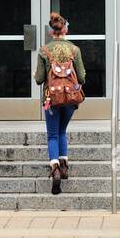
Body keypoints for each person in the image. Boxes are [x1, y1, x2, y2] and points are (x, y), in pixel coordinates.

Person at [35, 11, 86, 195]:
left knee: (52, 135)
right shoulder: (75, 50)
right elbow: (82, 76)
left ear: (51, 32)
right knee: (62, 131)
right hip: (70, 99)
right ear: (65, 30)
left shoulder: (44, 51)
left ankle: (55, 168)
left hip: (51, 98)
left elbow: (39, 79)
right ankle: (64, 166)